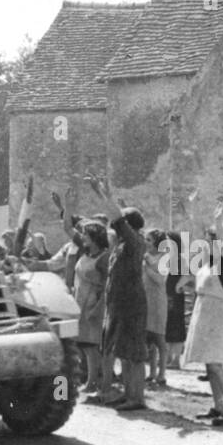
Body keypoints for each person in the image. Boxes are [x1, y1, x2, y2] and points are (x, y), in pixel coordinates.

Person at [88, 176, 148, 411]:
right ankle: (129, 395)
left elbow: (116, 216)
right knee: (123, 352)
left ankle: (137, 398)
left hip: (131, 304)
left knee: (134, 354)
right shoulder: (122, 245)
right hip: (119, 304)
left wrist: (101, 193)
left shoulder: (134, 242)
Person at [182, 235, 223, 426]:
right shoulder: (207, 264)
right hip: (204, 314)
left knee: (215, 363)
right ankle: (218, 406)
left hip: (218, 316)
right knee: (209, 364)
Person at [72, 222, 109, 395]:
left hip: (93, 302)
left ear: (94, 237)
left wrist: (97, 308)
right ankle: (91, 379)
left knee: (91, 345)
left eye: (86, 235)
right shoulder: (86, 254)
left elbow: (107, 286)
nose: (83, 237)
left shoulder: (103, 257)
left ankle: (94, 381)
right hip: (80, 300)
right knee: (83, 344)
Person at [143, 229, 169, 387]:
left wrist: (147, 268)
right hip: (145, 299)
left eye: (149, 240)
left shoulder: (164, 258)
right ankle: (151, 372)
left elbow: (160, 280)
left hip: (158, 300)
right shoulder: (144, 257)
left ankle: (162, 373)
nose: (146, 242)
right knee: (148, 338)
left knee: (159, 339)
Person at [164, 230, 187, 369]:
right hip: (165, 293)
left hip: (175, 295)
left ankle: (176, 359)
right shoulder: (166, 258)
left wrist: (180, 284)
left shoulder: (179, 258)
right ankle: (167, 357)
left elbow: (188, 273)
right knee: (166, 324)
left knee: (176, 325)